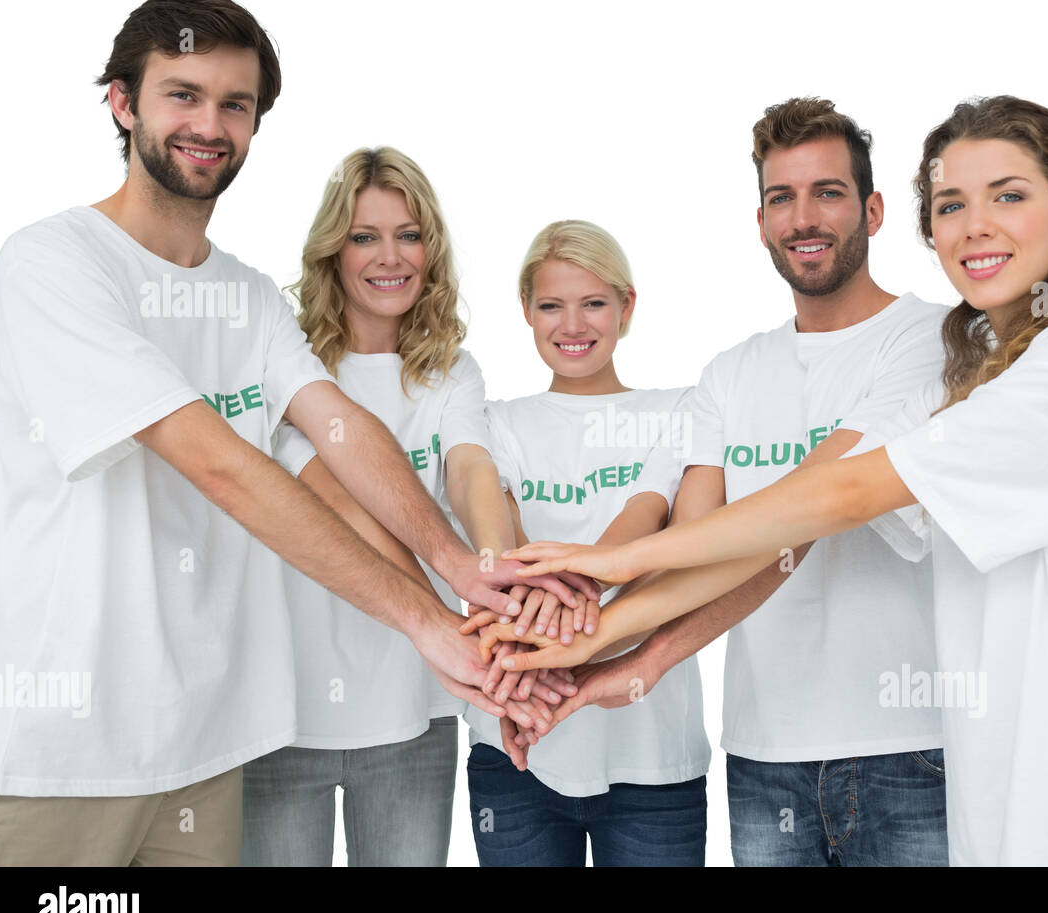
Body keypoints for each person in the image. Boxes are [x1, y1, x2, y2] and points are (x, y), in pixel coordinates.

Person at [502, 95, 1048, 866]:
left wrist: (614, 571)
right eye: (953, 204)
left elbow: (836, 498)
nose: (976, 224)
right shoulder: (980, 370)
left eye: (1010, 195)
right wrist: (616, 655)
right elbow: (779, 549)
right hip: (1004, 797)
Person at [0, 0, 571, 866]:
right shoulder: (53, 262)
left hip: (210, 747)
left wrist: (461, 569)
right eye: (183, 95)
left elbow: (339, 427)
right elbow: (222, 467)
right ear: (122, 103)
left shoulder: (251, 297)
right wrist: (430, 622)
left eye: (236, 104)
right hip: (68, 751)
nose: (210, 125)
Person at [490, 98, 951, 867]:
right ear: (762, 220)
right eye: (782, 197)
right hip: (763, 760)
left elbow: (815, 507)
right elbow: (694, 555)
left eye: (828, 192)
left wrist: (609, 570)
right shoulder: (730, 376)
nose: (804, 217)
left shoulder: (934, 340)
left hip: (908, 751)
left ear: (872, 211)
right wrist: (589, 668)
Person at [240, 147, 576, 866]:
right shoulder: (286, 361)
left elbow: (470, 468)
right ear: (333, 250)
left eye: (409, 234)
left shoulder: (452, 370)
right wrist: (457, 594)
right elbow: (335, 505)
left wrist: (497, 575)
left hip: (414, 714)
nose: (389, 256)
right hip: (283, 716)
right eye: (365, 236)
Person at [462, 220, 711, 867]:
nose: (573, 324)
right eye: (552, 305)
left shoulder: (681, 410)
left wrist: (577, 584)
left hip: (653, 760)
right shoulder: (498, 422)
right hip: (517, 750)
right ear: (527, 312)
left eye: (594, 302)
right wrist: (568, 590)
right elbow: (508, 550)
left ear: (627, 307)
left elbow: (656, 518)